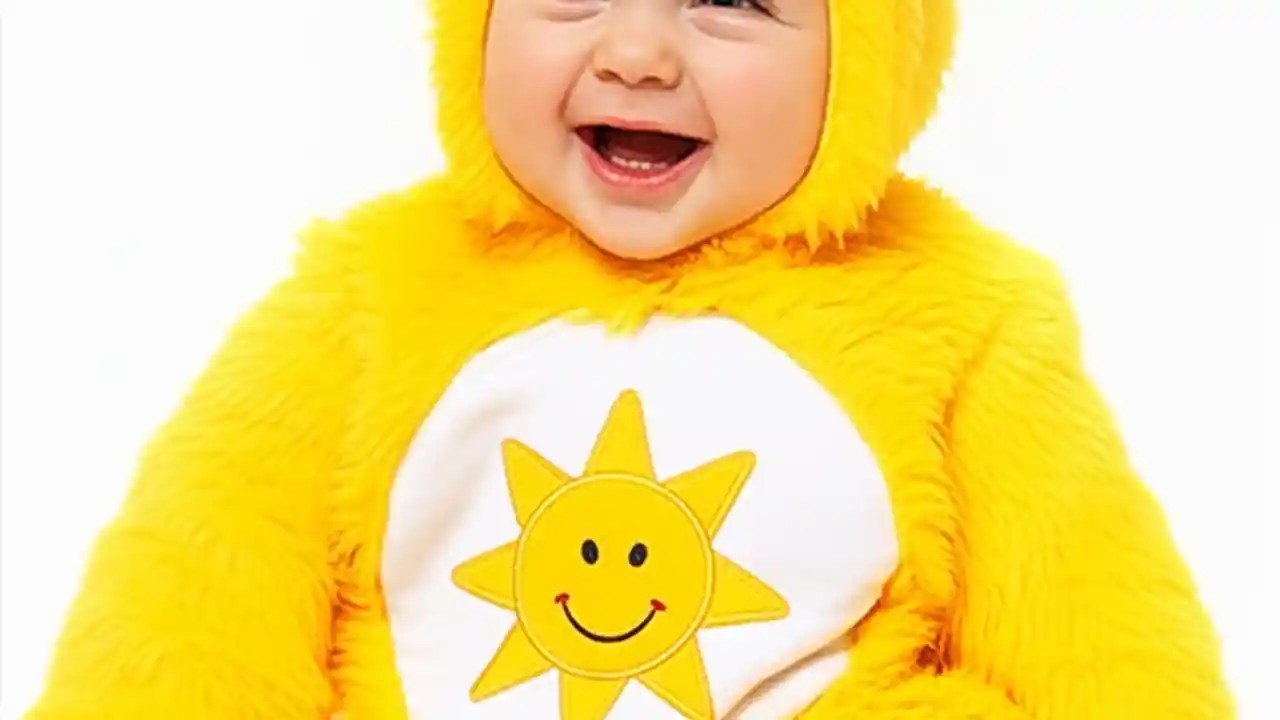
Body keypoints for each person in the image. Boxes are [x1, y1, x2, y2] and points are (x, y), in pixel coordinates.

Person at [27, 0, 1234, 718]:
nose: (639, 53)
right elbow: (190, 593)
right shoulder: (367, 297)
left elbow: (1103, 638)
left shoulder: (966, 320)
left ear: (870, 52)